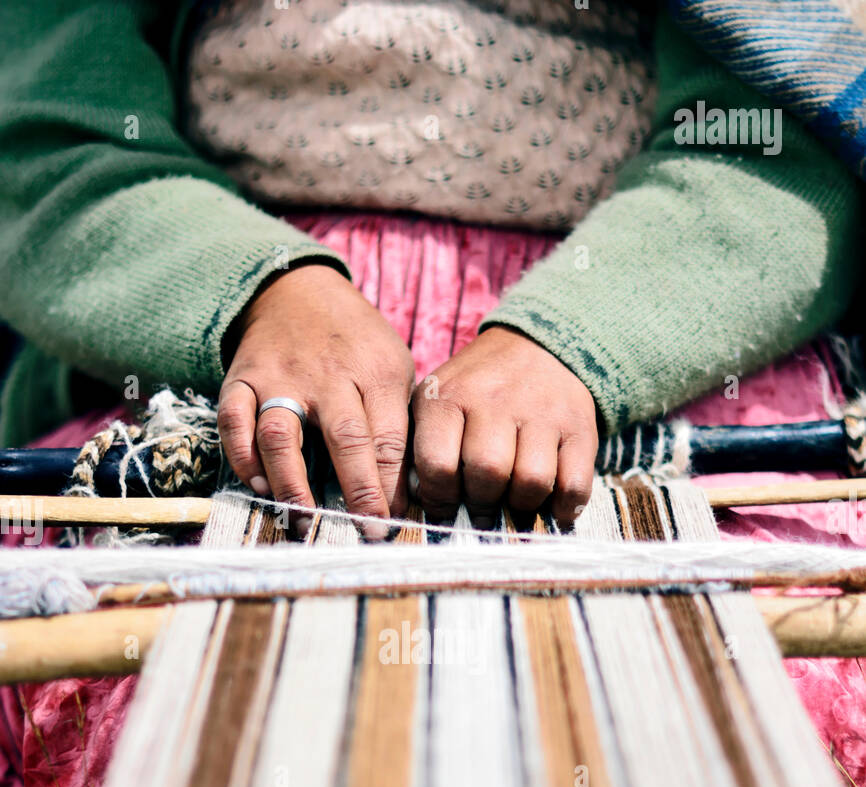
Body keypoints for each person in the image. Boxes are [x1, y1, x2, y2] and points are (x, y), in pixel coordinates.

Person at [0, 0, 860, 532]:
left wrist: (569, 349)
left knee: (763, 666)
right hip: (230, 368)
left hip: (653, 362)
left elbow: (772, 147)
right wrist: (262, 297)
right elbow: (49, 148)